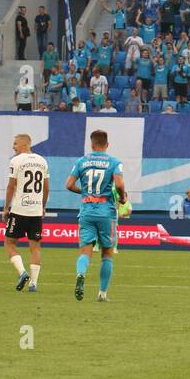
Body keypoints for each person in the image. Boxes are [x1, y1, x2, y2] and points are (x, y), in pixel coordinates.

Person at [65, 129, 126, 302]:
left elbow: (68, 184)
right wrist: (122, 197)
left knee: (85, 250)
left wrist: (83, 192)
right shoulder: (114, 162)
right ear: (107, 144)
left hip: (86, 210)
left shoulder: (82, 161)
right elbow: (120, 183)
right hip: (106, 211)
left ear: (91, 144)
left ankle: (81, 274)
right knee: (107, 252)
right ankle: (102, 294)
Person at [2, 133, 49, 292]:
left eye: (15, 144)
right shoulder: (42, 161)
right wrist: (42, 206)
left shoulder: (16, 161)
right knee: (35, 247)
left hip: (19, 210)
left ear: (23, 144)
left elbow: (11, 186)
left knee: (9, 243)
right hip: (36, 211)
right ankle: (34, 283)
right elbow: (46, 187)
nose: (13, 146)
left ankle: (22, 272)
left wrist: (5, 208)